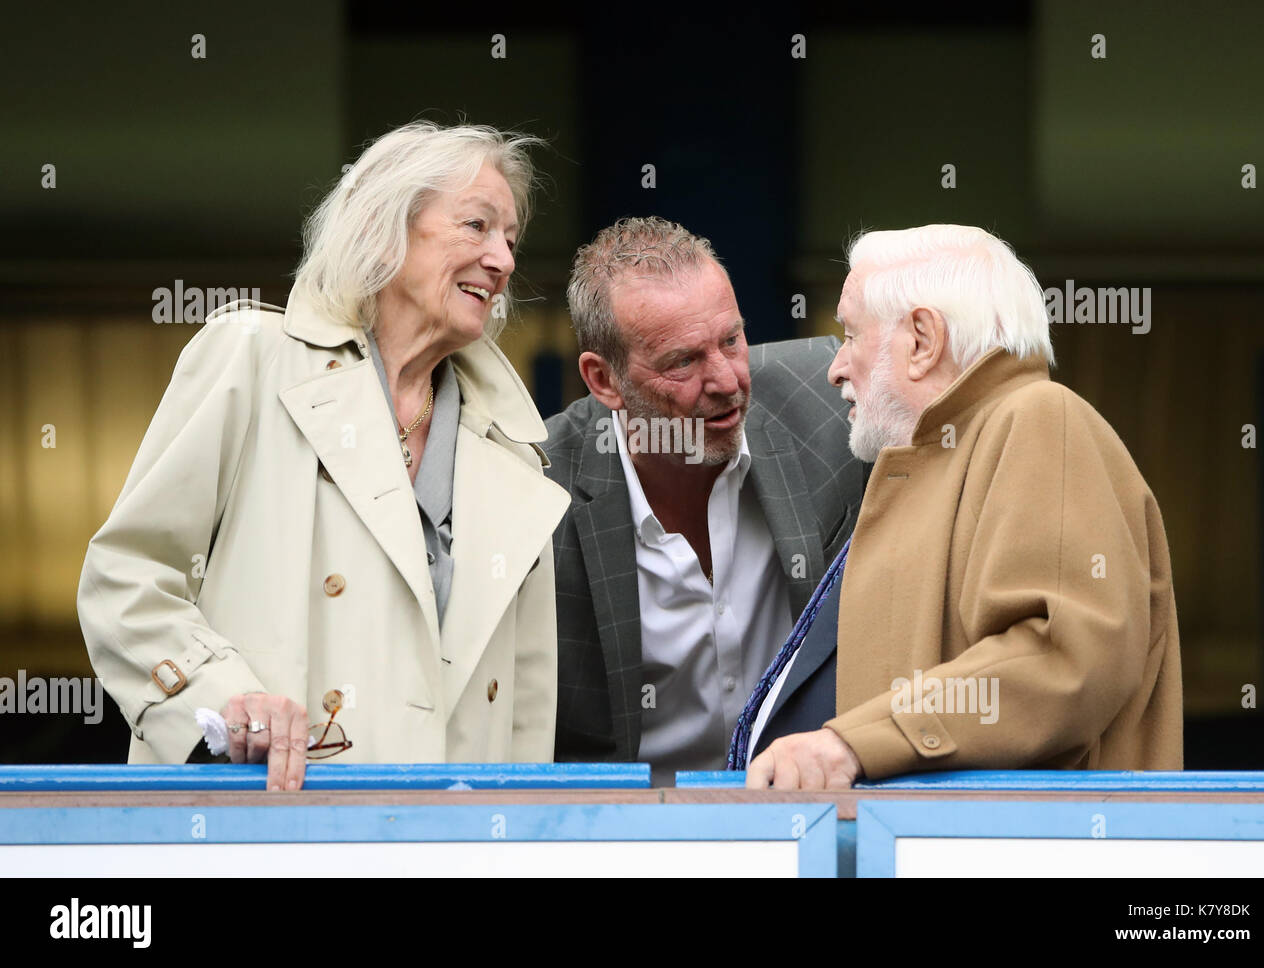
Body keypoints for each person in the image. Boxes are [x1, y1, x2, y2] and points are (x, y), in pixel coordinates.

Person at [78, 122, 570, 791]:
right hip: (265, 824)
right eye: (477, 226)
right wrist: (221, 702)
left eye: (510, 240)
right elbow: (127, 576)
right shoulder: (252, 358)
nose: (504, 260)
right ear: (381, 225)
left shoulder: (517, 454)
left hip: (450, 847)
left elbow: (525, 718)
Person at [733, 224, 1183, 790]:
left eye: (850, 335)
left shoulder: (1040, 417)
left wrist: (855, 744)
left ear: (922, 339)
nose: (835, 368)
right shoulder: (950, 452)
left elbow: (1064, 658)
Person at [544, 217, 866, 781]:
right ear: (603, 380)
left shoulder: (833, 402)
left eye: (731, 340)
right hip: (628, 837)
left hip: (804, 817)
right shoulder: (539, 491)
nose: (727, 380)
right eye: (683, 362)